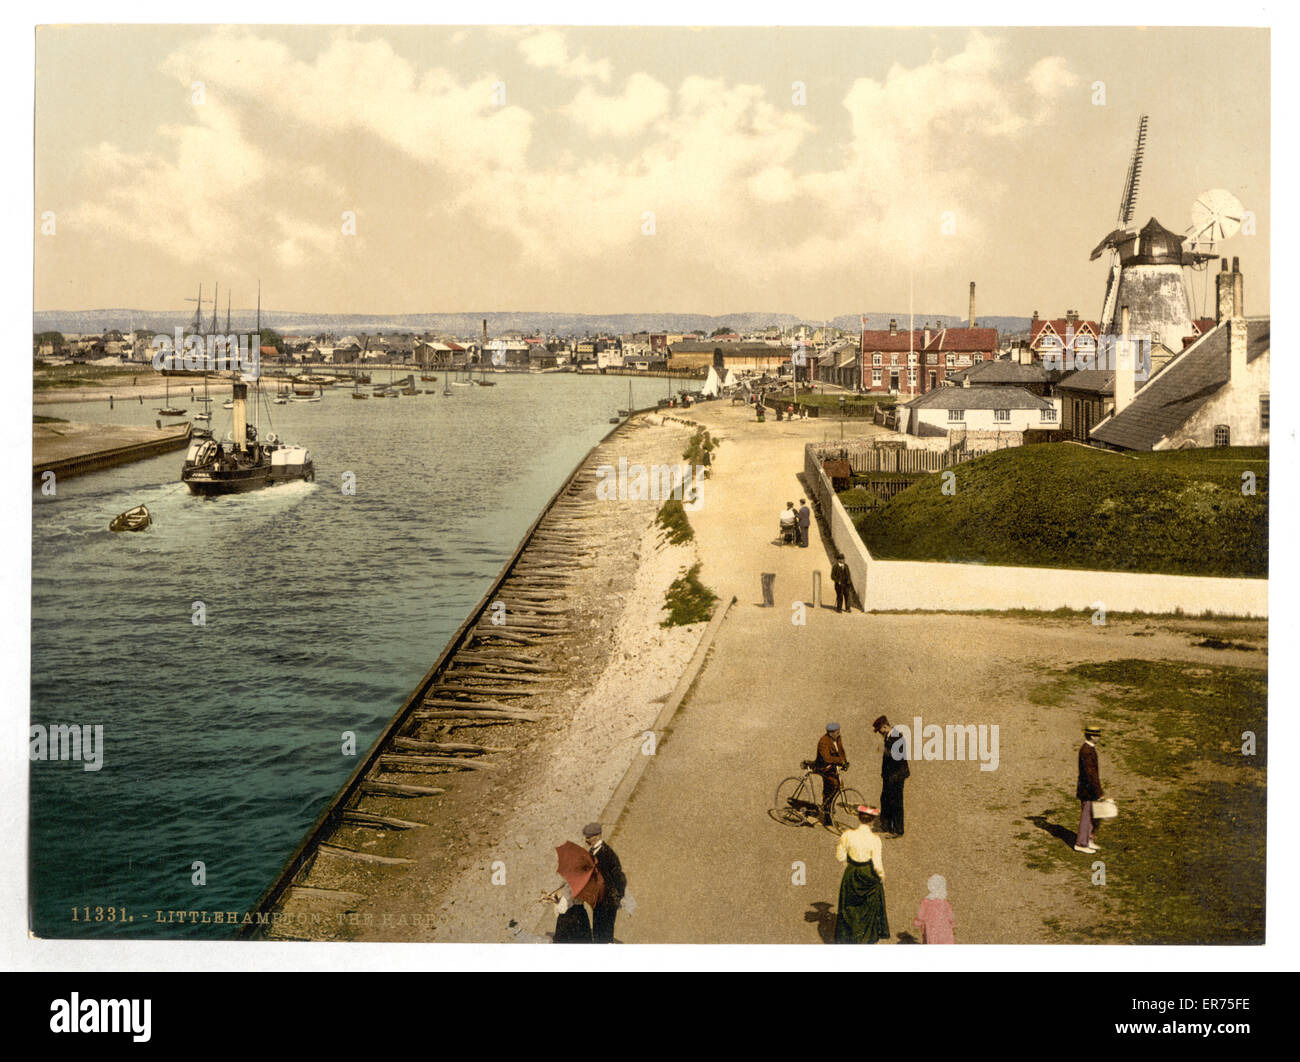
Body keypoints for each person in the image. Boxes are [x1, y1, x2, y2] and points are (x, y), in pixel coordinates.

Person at [834, 805, 889, 944]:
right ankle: (865, 939)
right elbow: (877, 863)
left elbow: (840, 856)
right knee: (868, 908)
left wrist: (849, 862)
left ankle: (849, 937)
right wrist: (881, 876)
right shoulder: (875, 839)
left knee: (849, 906)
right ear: (872, 820)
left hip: (851, 872)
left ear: (858, 817)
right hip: (867, 873)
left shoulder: (847, 835)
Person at [583, 823, 626, 943]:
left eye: (588, 837)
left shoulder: (607, 853)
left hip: (607, 901)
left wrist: (615, 898)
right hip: (598, 900)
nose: (586, 840)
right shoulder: (592, 852)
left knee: (605, 934)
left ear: (597, 836)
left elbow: (620, 878)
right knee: (598, 931)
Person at [874, 714, 910, 836]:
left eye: (880, 730)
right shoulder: (889, 736)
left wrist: (884, 751)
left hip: (896, 776)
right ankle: (886, 825)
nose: (880, 733)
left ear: (885, 726)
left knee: (896, 803)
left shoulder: (897, 737)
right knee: (885, 799)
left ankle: (898, 830)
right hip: (889, 776)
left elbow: (897, 758)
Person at [1075, 723, 1104, 853]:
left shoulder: (1088, 749)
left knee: (1093, 815)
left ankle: (1088, 839)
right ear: (1091, 736)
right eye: (1096, 735)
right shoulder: (1087, 751)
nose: (1098, 737)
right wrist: (1099, 792)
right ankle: (1081, 843)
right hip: (1088, 789)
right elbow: (1090, 774)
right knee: (1087, 816)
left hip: (1088, 788)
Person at [813, 722, 848, 826]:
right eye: (837, 732)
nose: (839, 733)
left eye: (839, 731)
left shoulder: (837, 738)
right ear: (830, 733)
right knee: (832, 785)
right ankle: (827, 815)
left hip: (832, 767)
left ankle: (828, 807)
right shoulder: (823, 742)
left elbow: (841, 751)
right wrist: (839, 761)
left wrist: (845, 761)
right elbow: (826, 758)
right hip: (824, 768)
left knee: (838, 785)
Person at [912, 874, 955, 944]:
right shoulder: (946, 903)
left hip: (931, 933)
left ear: (930, 887)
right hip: (946, 933)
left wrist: (917, 923)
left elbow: (920, 917)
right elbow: (951, 918)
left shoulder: (926, 902)